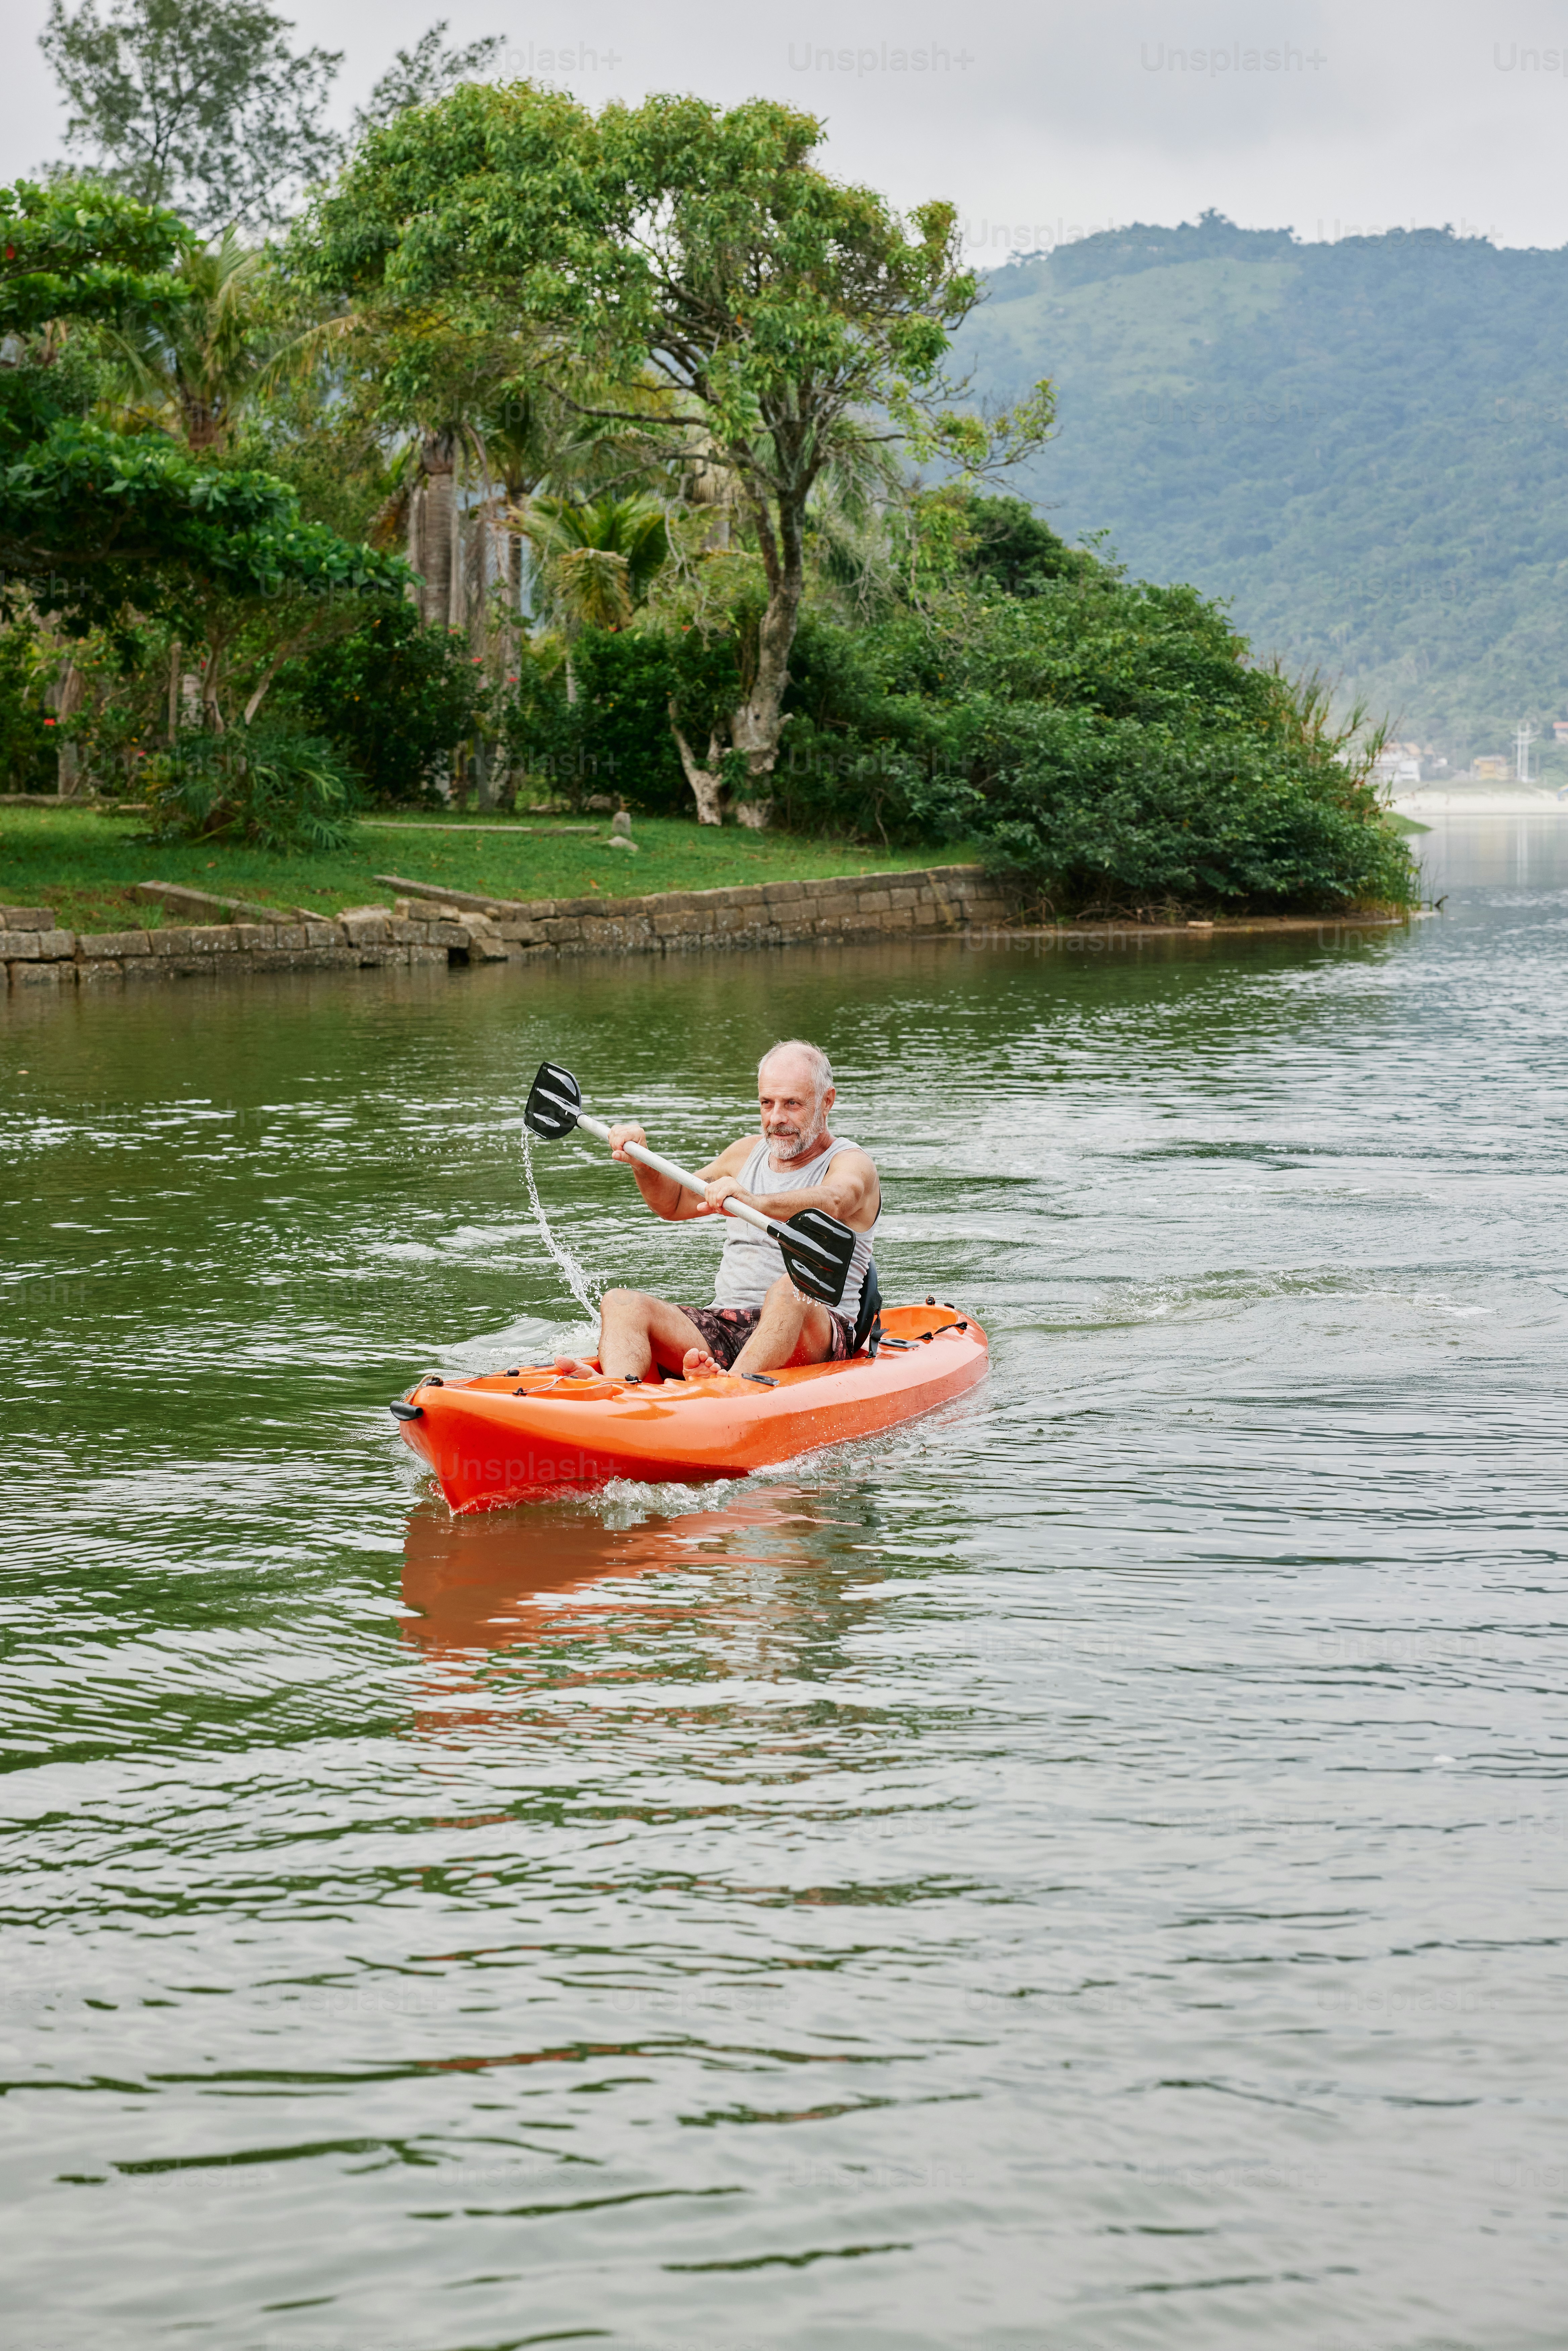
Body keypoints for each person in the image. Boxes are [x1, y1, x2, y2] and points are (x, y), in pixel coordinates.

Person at [554, 1039, 880, 1382]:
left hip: (815, 1331)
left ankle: (725, 1394)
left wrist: (756, 1202)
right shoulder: (745, 1154)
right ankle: (618, 1391)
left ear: (826, 1101)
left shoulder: (852, 1163)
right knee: (621, 1303)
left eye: (792, 1104)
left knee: (792, 1288)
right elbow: (675, 1203)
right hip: (725, 1324)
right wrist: (643, 1165)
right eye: (766, 1103)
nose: (776, 1118)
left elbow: (835, 1199)